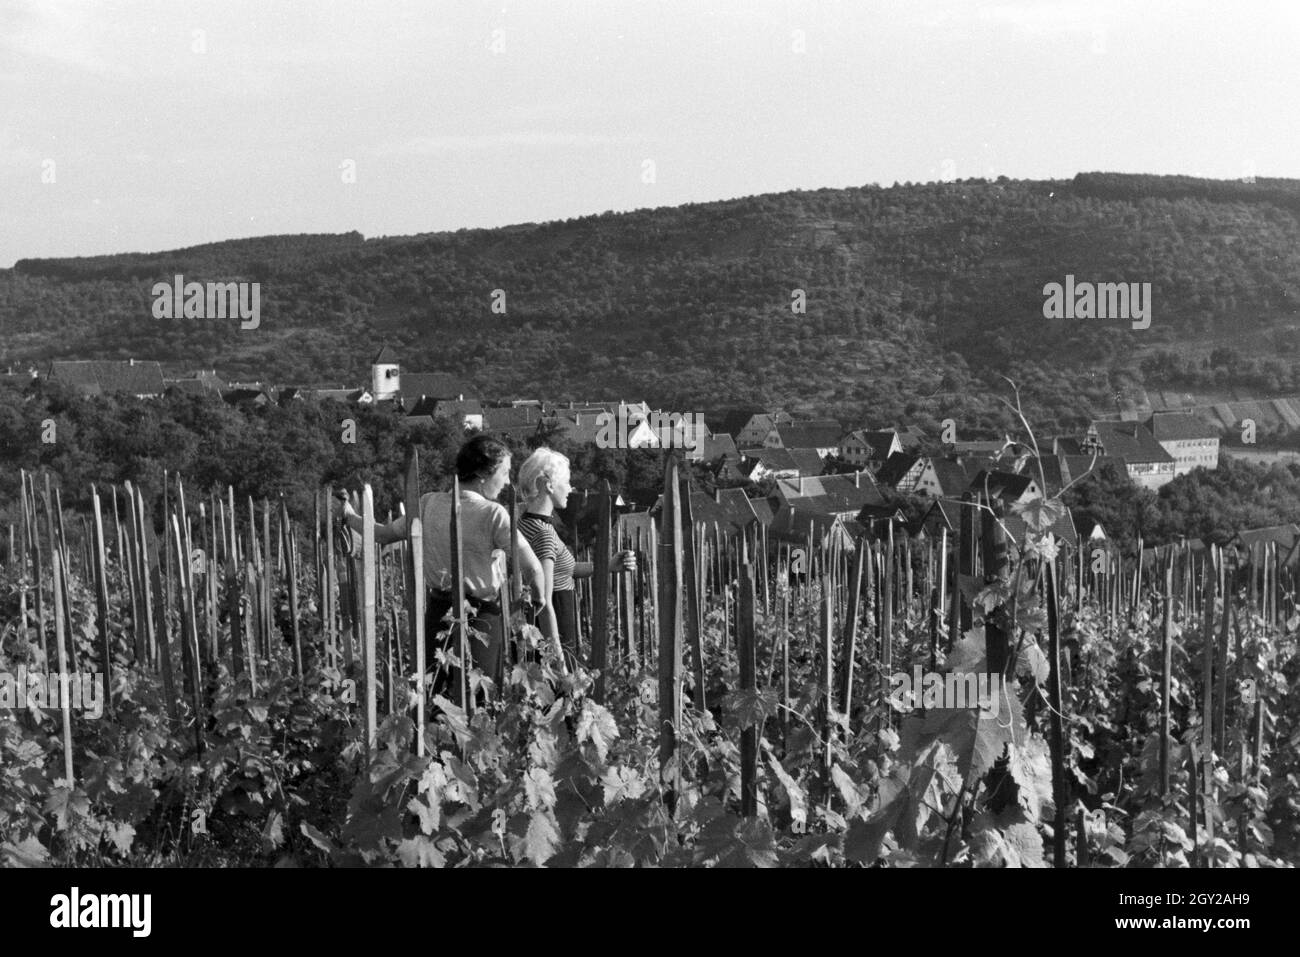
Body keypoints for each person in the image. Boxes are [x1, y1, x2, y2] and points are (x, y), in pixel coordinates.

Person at [340, 435, 544, 698]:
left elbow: (382, 534)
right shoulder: (493, 514)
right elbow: (534, 569)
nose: (507, 482)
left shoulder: (428, 503)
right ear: (483, 473)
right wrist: (539, 603)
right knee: (478, 697)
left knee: (434, 693)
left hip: (439, 614)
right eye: (504, 473)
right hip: (482, 619)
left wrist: (348, 515)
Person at [516, 447, 635, 669]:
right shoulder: (543, 534)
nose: (570, 489)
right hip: (556, 625)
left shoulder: (526, 523)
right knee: (558, 695)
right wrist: (558, 658)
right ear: (548, 485)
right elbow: (545, 601)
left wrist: (607, 565)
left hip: (536, 627)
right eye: (566, 482)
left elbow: (564, 570)